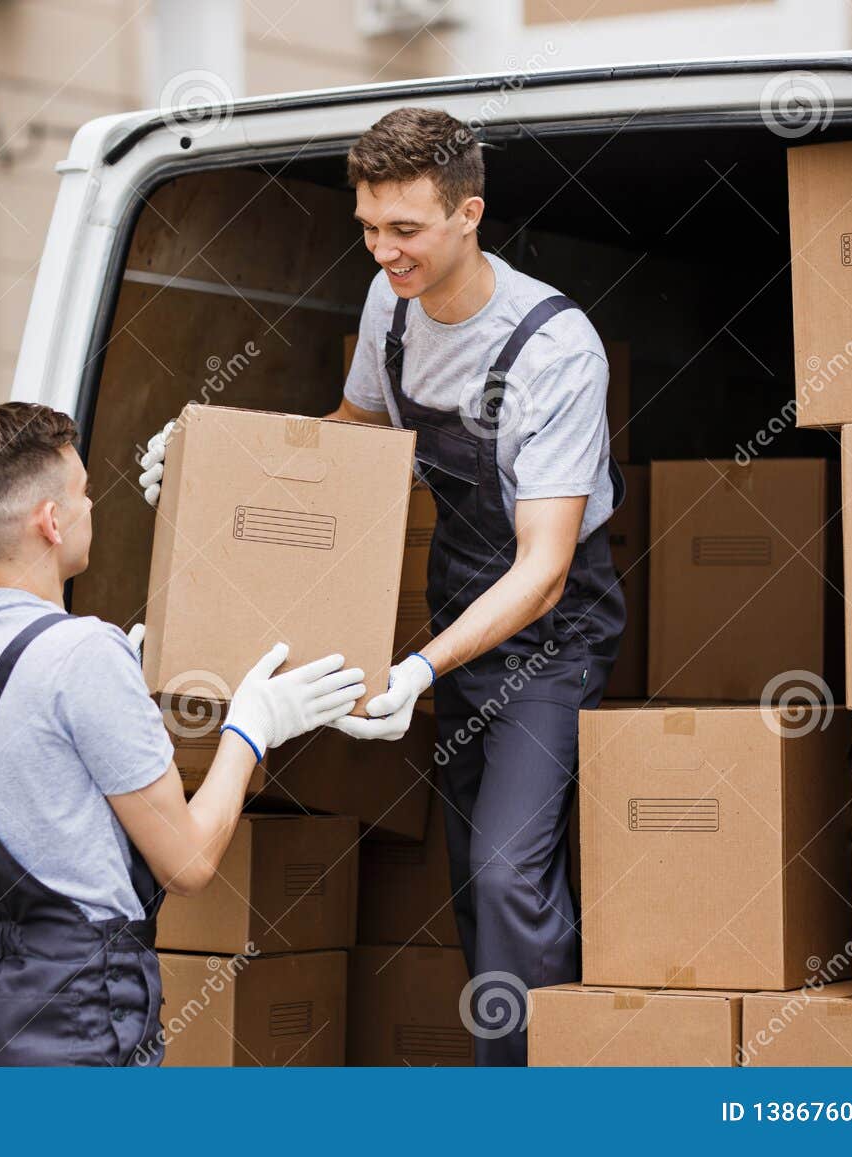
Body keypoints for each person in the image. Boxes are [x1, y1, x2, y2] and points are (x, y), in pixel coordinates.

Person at [138, 107, 624, 1066]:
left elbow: (546, 564)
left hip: (550, 636)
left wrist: (416, 673)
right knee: (469, 873)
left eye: (404, 230)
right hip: (455, 607)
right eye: (368, 226)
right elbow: (355, 434)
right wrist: (211, 465)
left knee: (504, 875)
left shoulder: (556, 350)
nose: (381, 250)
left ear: (469, 212)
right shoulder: (388, 307)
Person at [0, 402, 363, 1066]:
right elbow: (188, 862)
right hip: (82, 1020)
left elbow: (43, 796)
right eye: (85, 494)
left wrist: (121, 700)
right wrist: (250, 728)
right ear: (51, 520)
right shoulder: (84, 656)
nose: (92, 507)